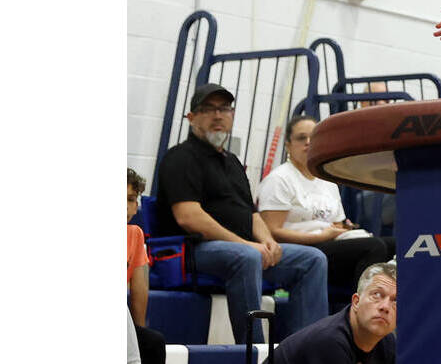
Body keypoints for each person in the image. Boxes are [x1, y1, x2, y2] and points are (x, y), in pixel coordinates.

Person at [155, 83, 328, 343]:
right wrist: (247, 244)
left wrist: (268, 241)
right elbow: (188, 217)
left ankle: (304, 349)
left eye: (224, 109)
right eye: (208, 109)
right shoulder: (179, 158)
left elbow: (252, 214)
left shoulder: (233, 162)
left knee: (313, 259)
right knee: (246, 257)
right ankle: (253, 350)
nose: (218, 116)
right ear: (191, 118)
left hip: (241, 250)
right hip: (191, 251)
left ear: (232, 115)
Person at [258, 115, 395, 292]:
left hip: (329, 243)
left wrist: (340, 231)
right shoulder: (279, 179)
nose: (308, 142)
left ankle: (391, 302)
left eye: (313, 138)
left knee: (394, 245)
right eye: (301, 138)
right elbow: (272, 231)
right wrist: (320, 236)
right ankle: (361, 305)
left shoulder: (326, 180)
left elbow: (336, 224)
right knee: (374, 247)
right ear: (288, 145)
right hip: (300, 248)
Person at [272, 262, 397, 364]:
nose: (385, 307)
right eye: (377, 295)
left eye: (396, 301)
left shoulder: (387, 343)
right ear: (356, 302)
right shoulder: (329, 340)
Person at [127, 168, 165, 364]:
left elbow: (139, 292)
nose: (125, 206)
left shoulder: (134, 235)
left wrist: (137, 335)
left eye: (130, 199)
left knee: (151, 343)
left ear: (136, 207)